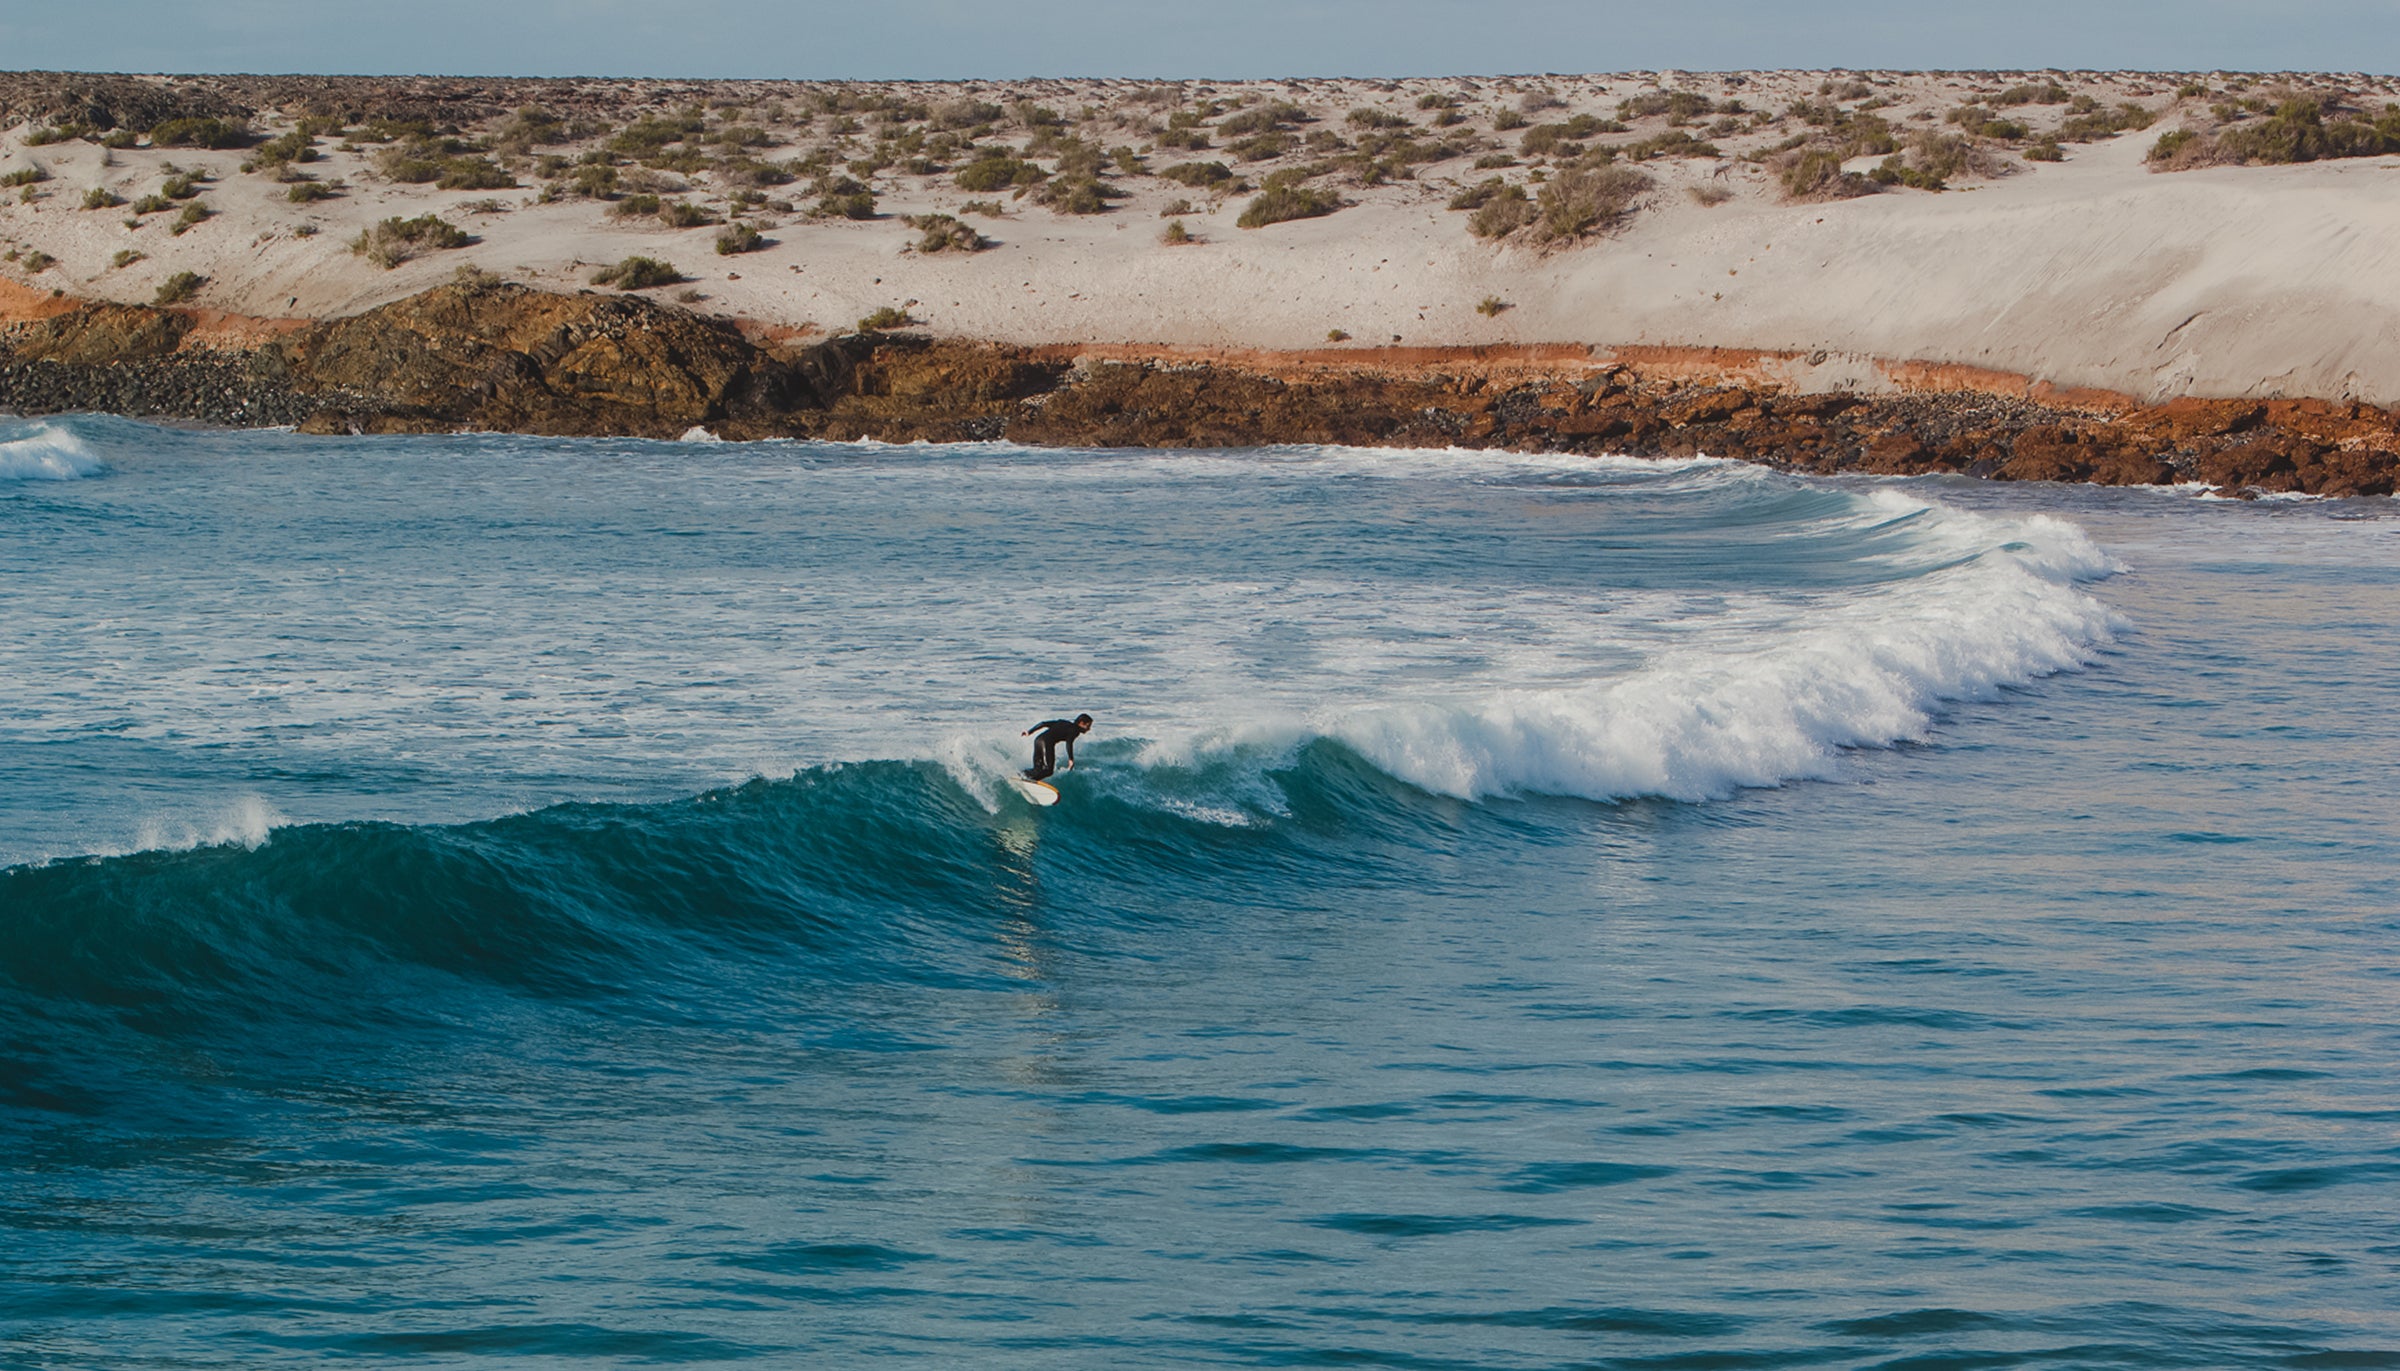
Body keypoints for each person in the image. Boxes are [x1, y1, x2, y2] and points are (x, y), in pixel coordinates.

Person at [1022, 713, 1093, 781]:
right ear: (1081, 723)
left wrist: (1029, 732)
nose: (1089, 729)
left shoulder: (1063, 722)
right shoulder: (1075, 731)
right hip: (1047, 743)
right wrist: (1071, 759)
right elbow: (1069, 742)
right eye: (1088, 726)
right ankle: (1031, 780)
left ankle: (1022, 774)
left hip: (1038, 740)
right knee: (1049, 770)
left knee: (1037, 769)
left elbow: (1043, 723)